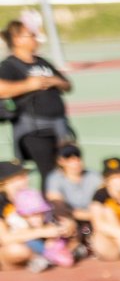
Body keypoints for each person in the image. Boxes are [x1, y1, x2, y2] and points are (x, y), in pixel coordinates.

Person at [2, 20, 74, 186]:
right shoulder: (9, 65)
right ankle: (52, 208)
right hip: (34, 130)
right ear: (17, 39)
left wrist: (55, 80)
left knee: (66, 168)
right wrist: (29, 84)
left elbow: (67, 84)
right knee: (49, 173)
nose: (36, 39)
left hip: (59, 126)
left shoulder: (42, 61)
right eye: (32, 35)